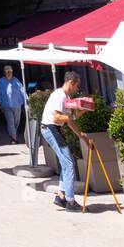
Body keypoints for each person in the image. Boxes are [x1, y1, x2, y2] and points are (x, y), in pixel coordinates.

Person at [41, 70, 84, 211]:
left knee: (66, 164)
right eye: (77, 86)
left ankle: (61, 196)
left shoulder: (65, 97)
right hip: (50, 128)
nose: (77, 89)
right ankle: (70, 202)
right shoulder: (60, 96)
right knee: (69, 164)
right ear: (71, 83)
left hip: (53, 129)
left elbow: (71, 119)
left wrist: (84, 110)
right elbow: (57, 118)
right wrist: (71, 119)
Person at [0, 65, 27, 143]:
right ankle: (14, 138)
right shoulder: (1, 81)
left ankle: (12, 134)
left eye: (10, 71)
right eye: (7, 71)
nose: (8, 73)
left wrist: (26, 101)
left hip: (17, 104)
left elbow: (22, 90)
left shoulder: (16, 80)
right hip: (6, 105)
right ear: (4, 73)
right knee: (10, 122)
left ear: (12, 72)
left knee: (16, 122)